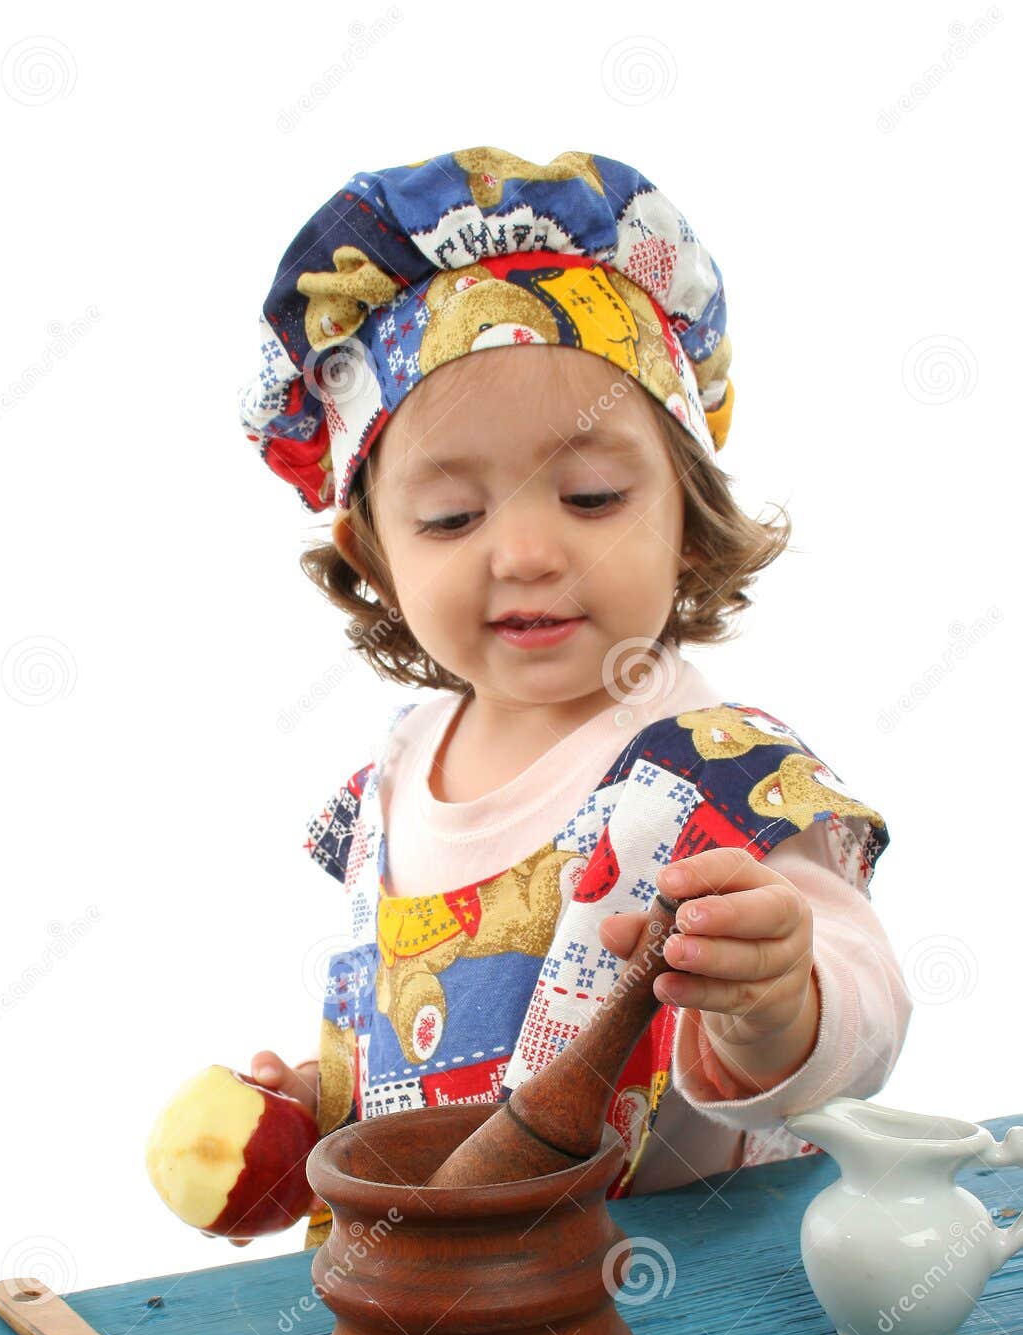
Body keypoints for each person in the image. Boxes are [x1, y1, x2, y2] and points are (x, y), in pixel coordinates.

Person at [236, 145, 912, 1247]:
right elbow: (419, 1047)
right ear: (371, 556)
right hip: (430, 1321)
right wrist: (308, 1112)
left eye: (592, 496)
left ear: (686, 512)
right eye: (452, 518)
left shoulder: (717, 771)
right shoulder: (392, 780)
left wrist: (779, 1000)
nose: (526, 551)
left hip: (679, 1325)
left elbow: (867, 1013)